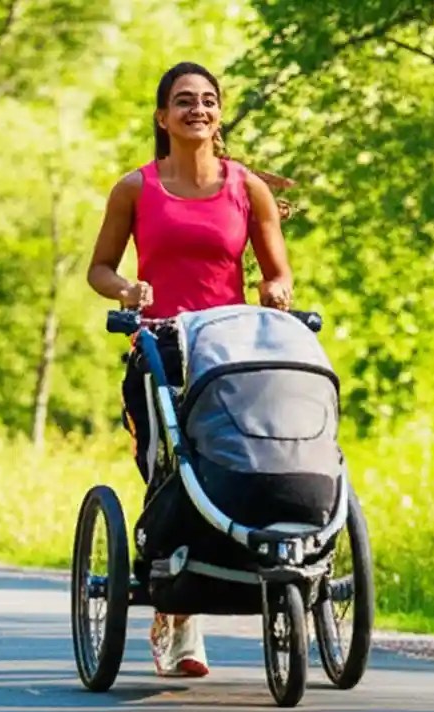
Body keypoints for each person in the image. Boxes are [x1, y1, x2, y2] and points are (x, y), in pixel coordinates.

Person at [85, 62, 294, 679]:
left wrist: (276, 292)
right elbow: (98, 268)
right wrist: (126, 288)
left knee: (248, 457)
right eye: (183, 102)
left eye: (207, 101)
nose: (196, 110)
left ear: (219, 114)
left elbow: (276, 269)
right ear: (162, 117)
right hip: (159, 348)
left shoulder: (247, 187)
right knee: (167, 465)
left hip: (230, 350)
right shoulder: (135, 188)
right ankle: (179, 620)